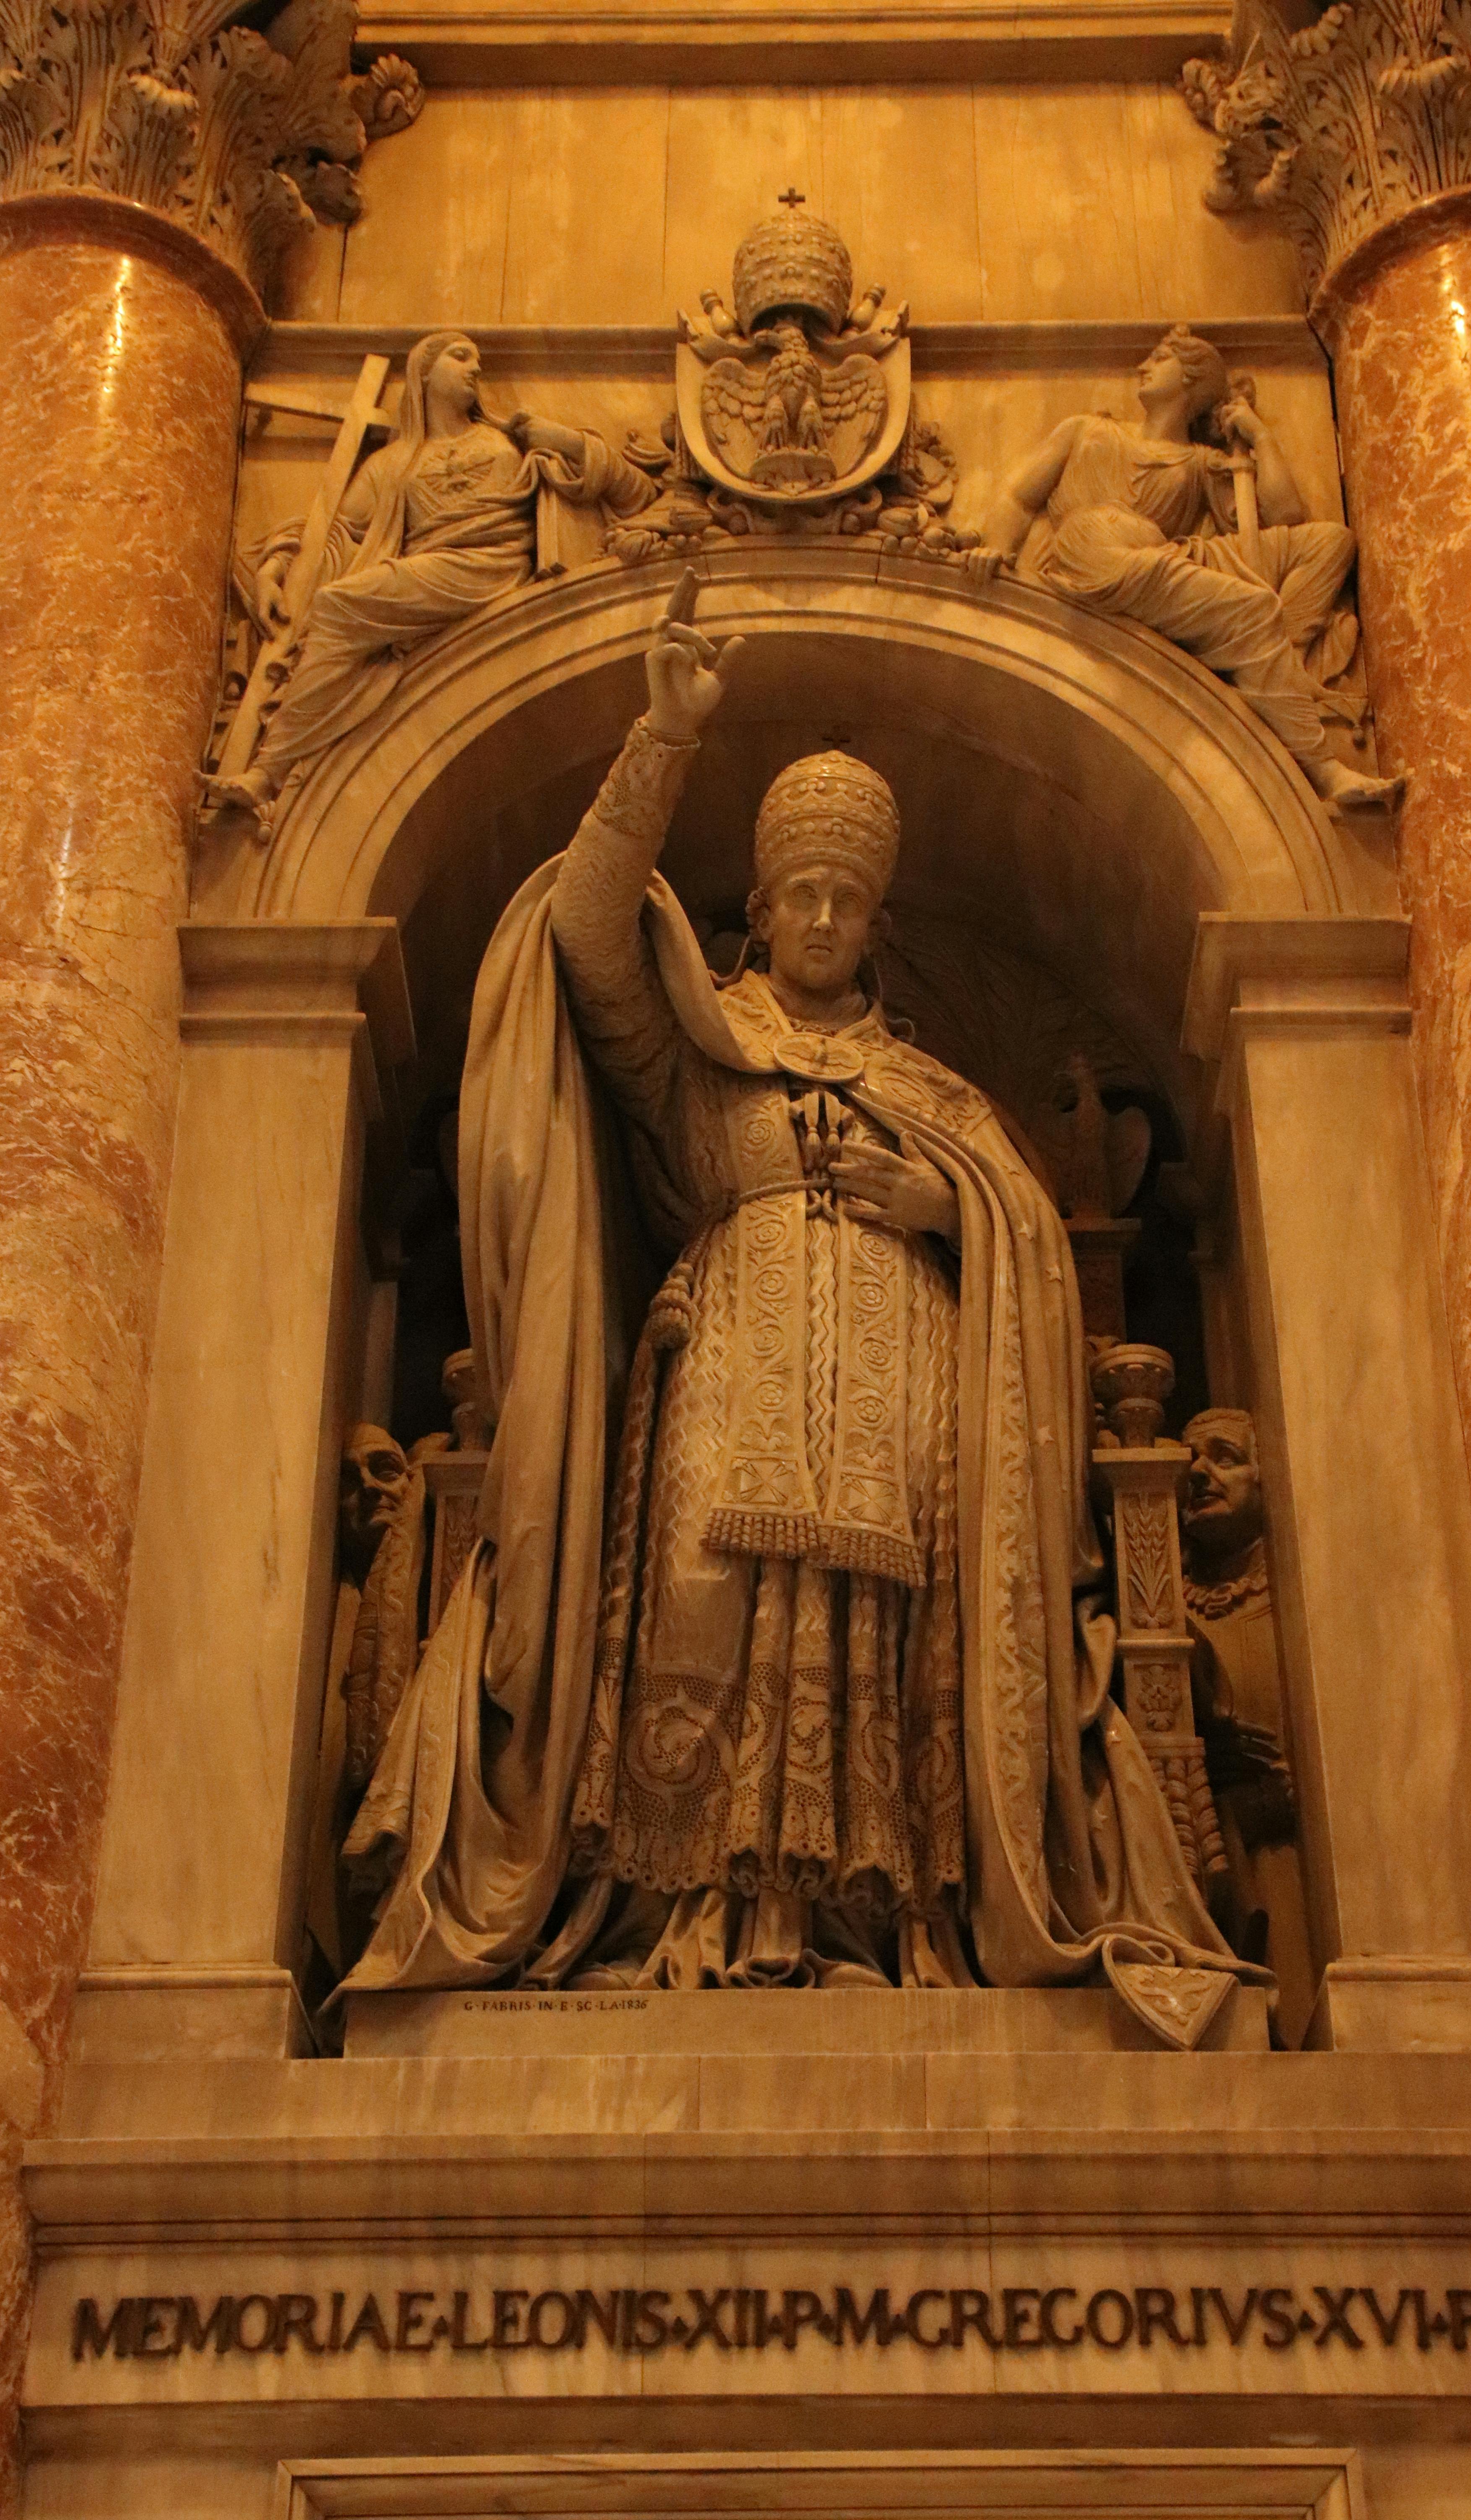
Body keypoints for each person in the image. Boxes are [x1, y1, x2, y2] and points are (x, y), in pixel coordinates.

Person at [338, 572, 1258, 2044]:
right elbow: (586, 933)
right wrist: (663, 740)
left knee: (885, 1639)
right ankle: (682, 1912)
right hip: (722, 1369)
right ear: (757, 911)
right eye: (800, 896)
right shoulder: (698, 1052)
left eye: (848, 899)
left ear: (875, 922)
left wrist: (944, 1207)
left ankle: (876, 1921)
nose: (824, 917)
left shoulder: (934, 1093)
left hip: (907, 1398)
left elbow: (1027, 1238)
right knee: (696, 1609)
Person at [207, 331, 657, 816]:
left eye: (477, 359)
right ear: (424, 371)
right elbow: (335, 531)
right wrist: (275, 567)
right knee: (335, 608)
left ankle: (267, 771)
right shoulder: (393, 464)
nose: (475, 368)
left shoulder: (509, 440)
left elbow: (632, 491)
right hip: (430, 572)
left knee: (337, 605)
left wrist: (561, 440)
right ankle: (269, 769)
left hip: (494, 565)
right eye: (460, 357)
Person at [967, 326, 1400, 813]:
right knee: (1252, 607)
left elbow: (1284, 515)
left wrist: (1259, 437)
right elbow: (1018, 498)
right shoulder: (1085, 431)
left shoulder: (1200, 464)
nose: (1142, 366)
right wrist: (997, 549)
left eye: (1159, 358)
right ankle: (1316, 754)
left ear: (1192, 379)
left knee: (1328, 543)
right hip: (1092, 550)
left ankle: (1283, 665)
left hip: (1166, 555)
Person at [1181, 1406, 1315, 2047]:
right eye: (1190, 1460)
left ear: (1267, 1478)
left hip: (1283, 1854)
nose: (1199, 1473)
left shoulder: (1294, 1599)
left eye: (1224, 1457)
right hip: (1205, 1848)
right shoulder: (1165, 1610)